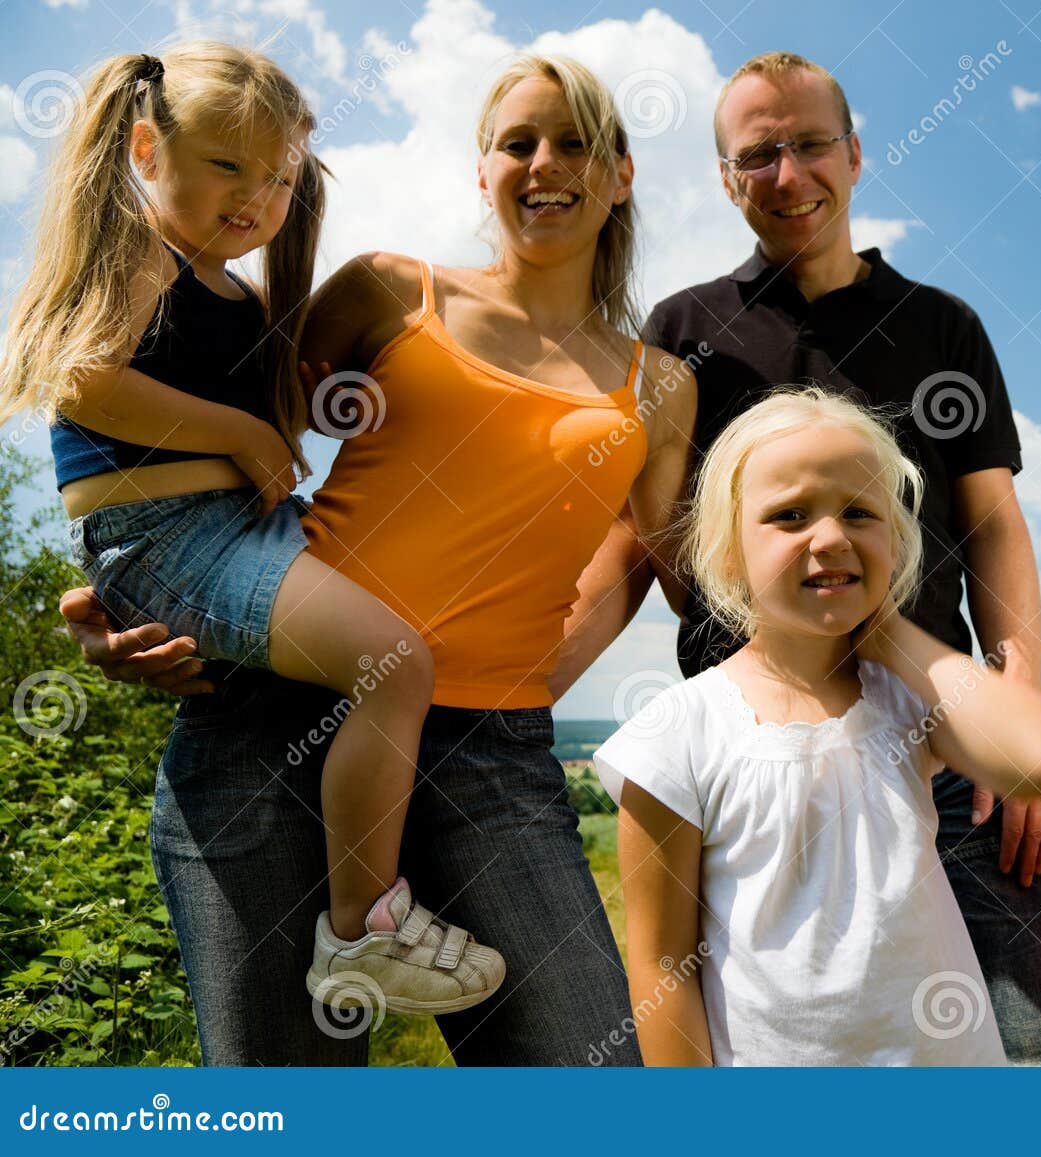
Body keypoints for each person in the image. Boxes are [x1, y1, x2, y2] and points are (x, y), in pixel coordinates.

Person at [56, 52, 694, 1065]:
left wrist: (534, 678)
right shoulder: (390, 290)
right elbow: (220, 409)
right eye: (516, 141)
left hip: (491, 751)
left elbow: (663, 557)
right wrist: (136, 588)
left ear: (619, 173)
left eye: (574, 141)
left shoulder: (658, 384)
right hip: (271, 716)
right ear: (479, 168)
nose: (544, 163)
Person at [0, 42, 507, 1021]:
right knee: (393, 661)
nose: (259, 195)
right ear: (147, 148)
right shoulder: (144, 253)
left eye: (278, 177)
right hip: (169, 534)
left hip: (221, 531)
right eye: (229, 166)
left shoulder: (239, 294)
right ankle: (364, 927)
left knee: (393, 634)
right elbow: (81, 379)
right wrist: (238, 431)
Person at [636, 51, 1041, 1064]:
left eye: (808, 145)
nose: (787, 175)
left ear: (855, 153)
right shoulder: (680, 332)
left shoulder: (940, 324)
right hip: (757, 764)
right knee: (785, 1040)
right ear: (723, 177)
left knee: (1039, 1049)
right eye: (757, 156)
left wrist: (1016, 684)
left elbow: (993, 521)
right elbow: (647, 533)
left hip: (944, 738)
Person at [596, 388, 1041, 1065]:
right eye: (789, 515)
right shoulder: (679, 733)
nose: (830, 537)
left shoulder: (907, 700)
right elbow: (663, 965)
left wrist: (894, 638)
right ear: (729, 552)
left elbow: (1040, 758)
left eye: (859, 512)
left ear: (898, 541)